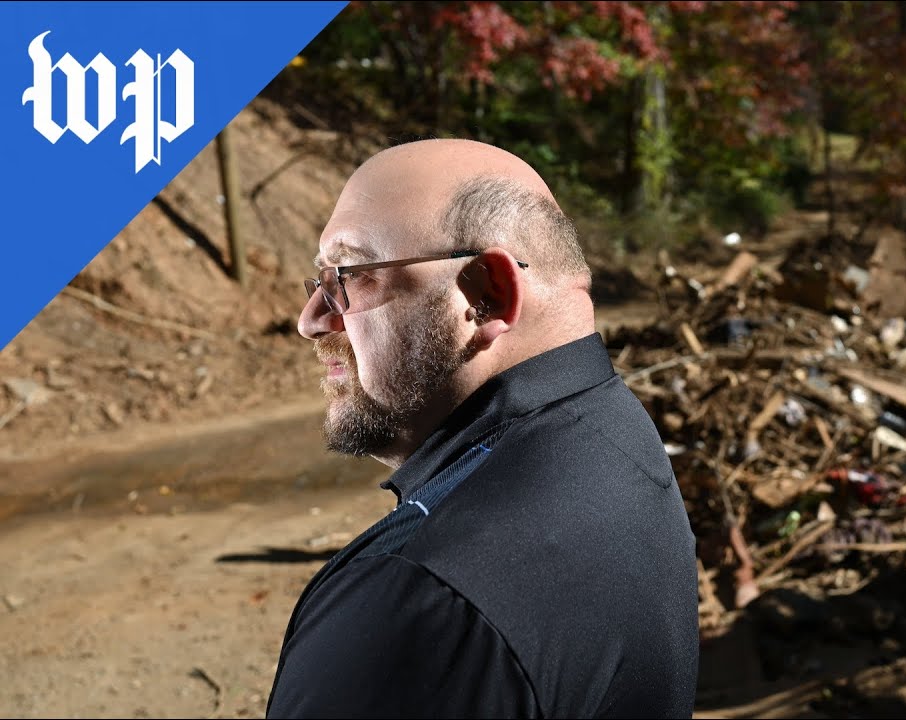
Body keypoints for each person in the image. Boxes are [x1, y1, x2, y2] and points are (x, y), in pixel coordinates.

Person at [265, 139, 700, 718]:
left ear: (486, 296)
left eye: (350, 276)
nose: (312, 319)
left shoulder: (419, 602)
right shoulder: (612, 434)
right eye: (318, 282)